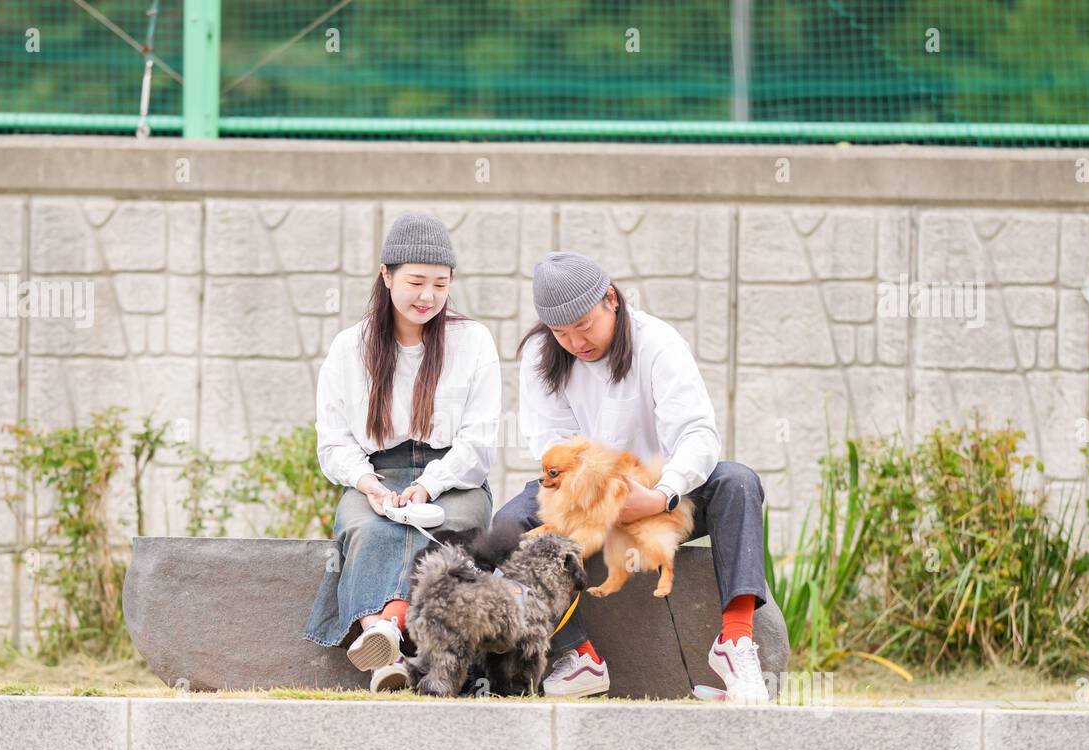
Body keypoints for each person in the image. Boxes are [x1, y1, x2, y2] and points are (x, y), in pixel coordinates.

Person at [492, 251, 771, 703]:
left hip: (664, 493)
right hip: (589, 500)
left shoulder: (657, 342)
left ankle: (735, 641)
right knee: (510, 522)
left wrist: (661, 495)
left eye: (584, 326)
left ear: (611, 299)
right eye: (561, 333)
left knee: (738, 482)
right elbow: (551, 446)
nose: (576, 343)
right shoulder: (542, 356)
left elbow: (697, 434)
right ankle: (575, 655)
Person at [303, 212, 500, 692]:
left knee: (449, 526)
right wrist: (369, 484)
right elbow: (333, 443)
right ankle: (391, 646)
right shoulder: (350, 347)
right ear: (386, 276)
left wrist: (429, 484)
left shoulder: (472, 341)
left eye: (439, 283)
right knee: (371, 528)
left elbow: (479, 440)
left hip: (454, 477)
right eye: (415, 281)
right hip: (375, 473)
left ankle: (383, 635)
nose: (427, 296)